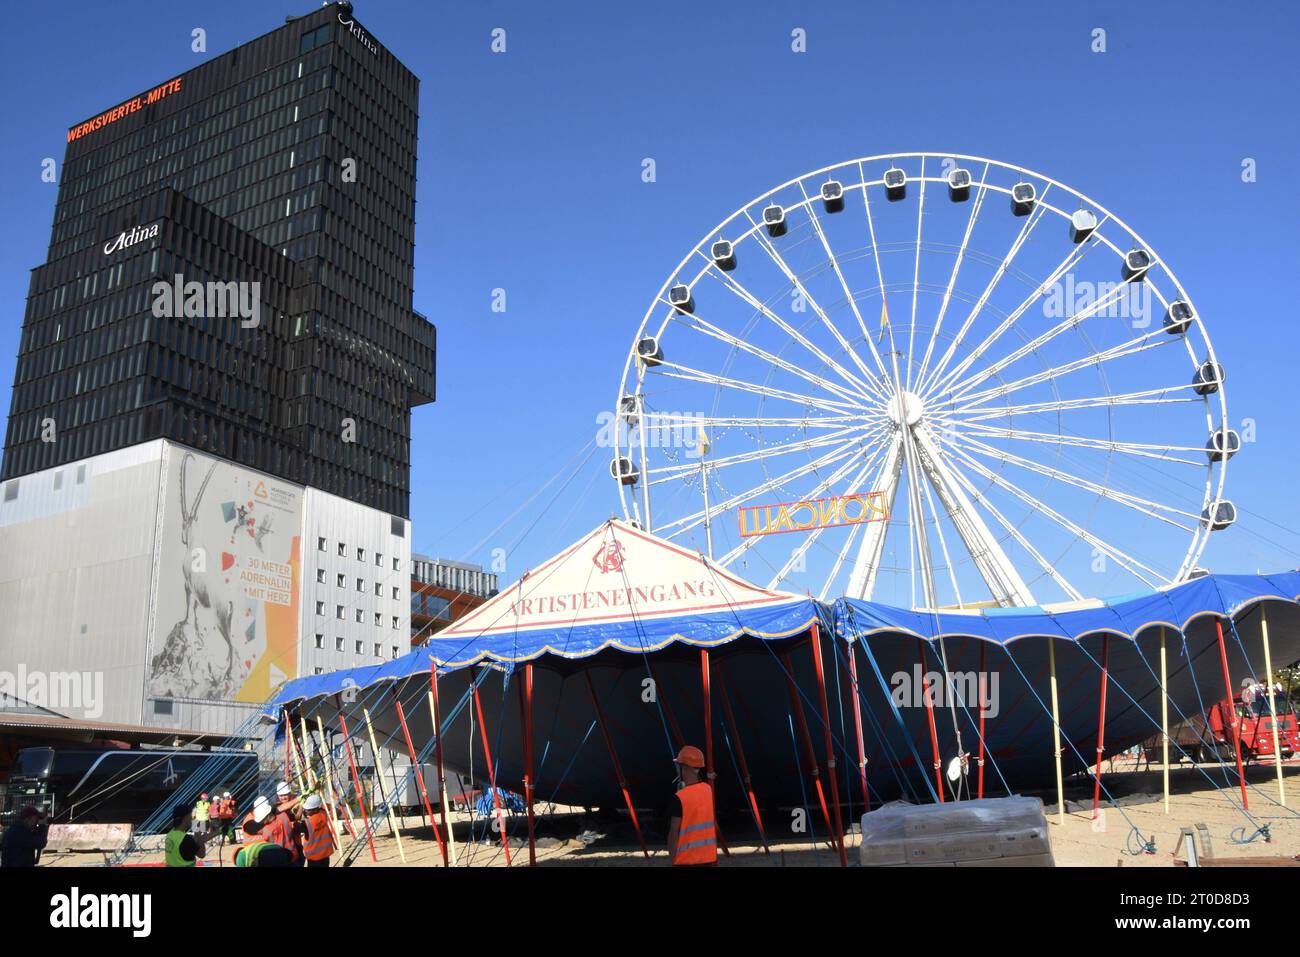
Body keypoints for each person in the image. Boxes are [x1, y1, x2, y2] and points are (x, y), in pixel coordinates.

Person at [665, 745, 717, 867]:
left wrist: (674, 862)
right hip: (708, 859)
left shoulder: (680, 798)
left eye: (679, 765)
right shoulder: (708, 790)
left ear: (685, 767)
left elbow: (673, 834)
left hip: (687, 860)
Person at [301, 794, 336, 868]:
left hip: (314, 858)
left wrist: (301, 808)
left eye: (309, 809)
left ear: (316, 809)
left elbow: (297, 826)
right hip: (325, 855)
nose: (306, 810)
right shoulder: (323, 813)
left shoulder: (308, 823)